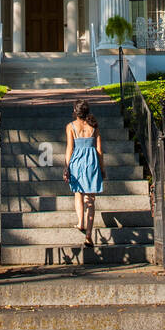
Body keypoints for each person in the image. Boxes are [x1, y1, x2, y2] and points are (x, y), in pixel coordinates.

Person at [63, 98, 105, 245]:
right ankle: (88, 234)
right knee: (91, 200)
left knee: (78, 193)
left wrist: (67, 167)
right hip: (92, 162)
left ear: (76, 112)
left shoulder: (71, 126)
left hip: (77, 162)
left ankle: (80, 222)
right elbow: (99, 150)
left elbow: (70, 148)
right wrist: (102, 167)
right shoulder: (94, 126)